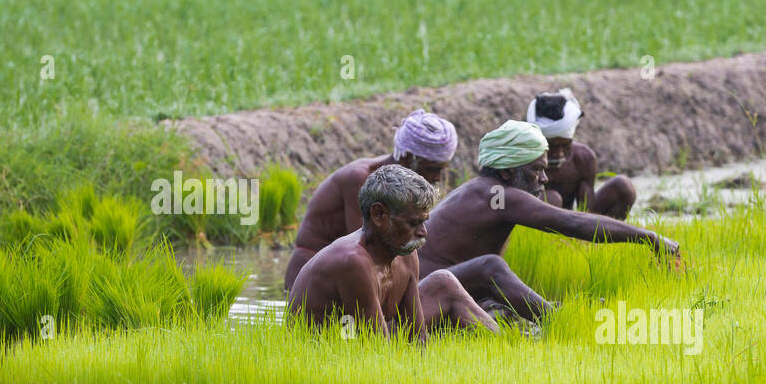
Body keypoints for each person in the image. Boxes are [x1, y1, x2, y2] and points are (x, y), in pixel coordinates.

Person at [417, 120, 679, 322]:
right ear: (508, 171)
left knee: (501, 309)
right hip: (421, 295)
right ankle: (558, 316)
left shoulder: (481, 190)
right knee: (491, 266)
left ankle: (541, 314)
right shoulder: (497, 194)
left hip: (431, 292)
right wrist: (649, 237)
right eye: (536, 170)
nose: (544, 178)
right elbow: (573, 223)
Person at [288, 165, 497, 338]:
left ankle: (506, 349)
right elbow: (376, 349)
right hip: (335, 349)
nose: (423, 232)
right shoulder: (352, 261)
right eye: (413, 223)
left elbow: (415, 336)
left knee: (444, 281)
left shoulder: (406, 254)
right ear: (379, 215)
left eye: (424, 222)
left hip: (361, 337)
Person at [283, 110, 458, 291]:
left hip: (347, 274)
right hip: (313, 280)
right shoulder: (362, 180)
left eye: (442, 170)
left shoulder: (401, 190)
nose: (437, 177)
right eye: (431, 169)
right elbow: (369, 247)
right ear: (406, 158)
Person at [526, 89, 636, 219]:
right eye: (551, 147)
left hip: (573, 221)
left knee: (624, 186)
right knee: (552, 198)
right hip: (533, 219)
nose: (558, 153)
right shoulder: (525, 159)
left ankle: (612, 236)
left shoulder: (583, 158)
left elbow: (587, 210)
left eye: (565, 145)